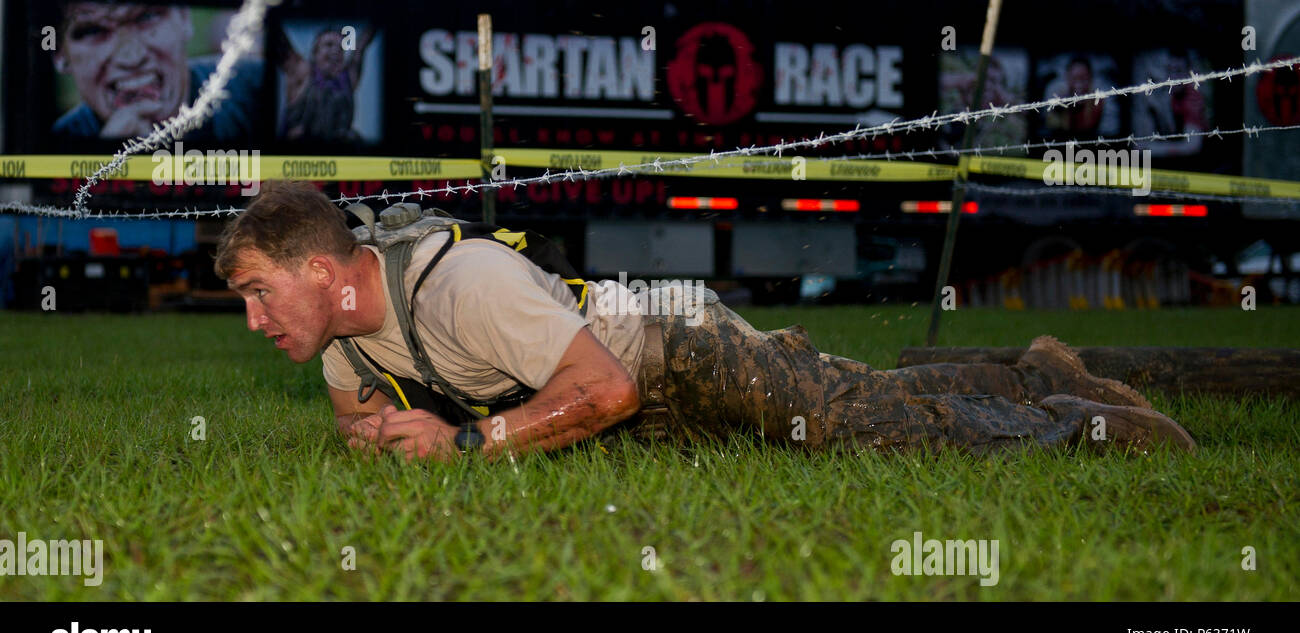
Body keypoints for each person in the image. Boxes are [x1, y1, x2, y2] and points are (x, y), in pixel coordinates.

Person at [214, 181, 1196, 462]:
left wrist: (467, 442)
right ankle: (1034, 371)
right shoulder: (345, 341)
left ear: (321, 270)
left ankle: (1080, 422)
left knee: (854, 428)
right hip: (633, 396)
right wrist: (386, 438)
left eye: (261, 293)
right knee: (863, 396)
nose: (254, 320)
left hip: (670, 339)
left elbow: (606, 388)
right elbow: (362, 430)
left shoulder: (461, 284)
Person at [51, 2, 262, 140]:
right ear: (61, 56)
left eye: (147, 17)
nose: (131, 58)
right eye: (93, 31)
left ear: (184, 19)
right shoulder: (53, 140)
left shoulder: (260, 88)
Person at [276, 24, 376, 141]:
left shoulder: (348, 78)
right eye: (329, 45)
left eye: (340, 48)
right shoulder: (302, 72)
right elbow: (279, 39)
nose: (335, 51)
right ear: (315, 53)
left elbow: (362, 44)